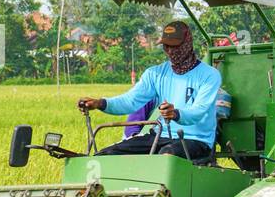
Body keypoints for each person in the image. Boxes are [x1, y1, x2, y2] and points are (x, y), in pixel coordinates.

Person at [78, 20, 220, 160]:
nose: (170, 51)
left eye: (175, 46)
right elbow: (131, 101)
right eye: (166, 46)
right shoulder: (155, 74)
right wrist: (100, 103)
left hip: (196, 140)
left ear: (187, 44)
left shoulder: (209, 75)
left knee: (166, 156)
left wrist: (176, 113)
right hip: (160, 135)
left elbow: (199, 111)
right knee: (107, 155)